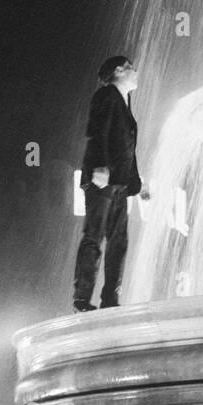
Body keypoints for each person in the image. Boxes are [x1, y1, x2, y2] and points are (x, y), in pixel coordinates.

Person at [73, 55, 145, 312]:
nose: (136, 73)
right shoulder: (106, 95)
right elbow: (97, 131)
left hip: (119, 184)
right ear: (119, 70)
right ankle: (82, 299)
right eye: (131, 68)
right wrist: (100, 167)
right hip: (102, 181)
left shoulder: (124, 100)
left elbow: (127, 147)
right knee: (94, 237)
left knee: (118, 243)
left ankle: (111, 299)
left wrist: (137, 183)